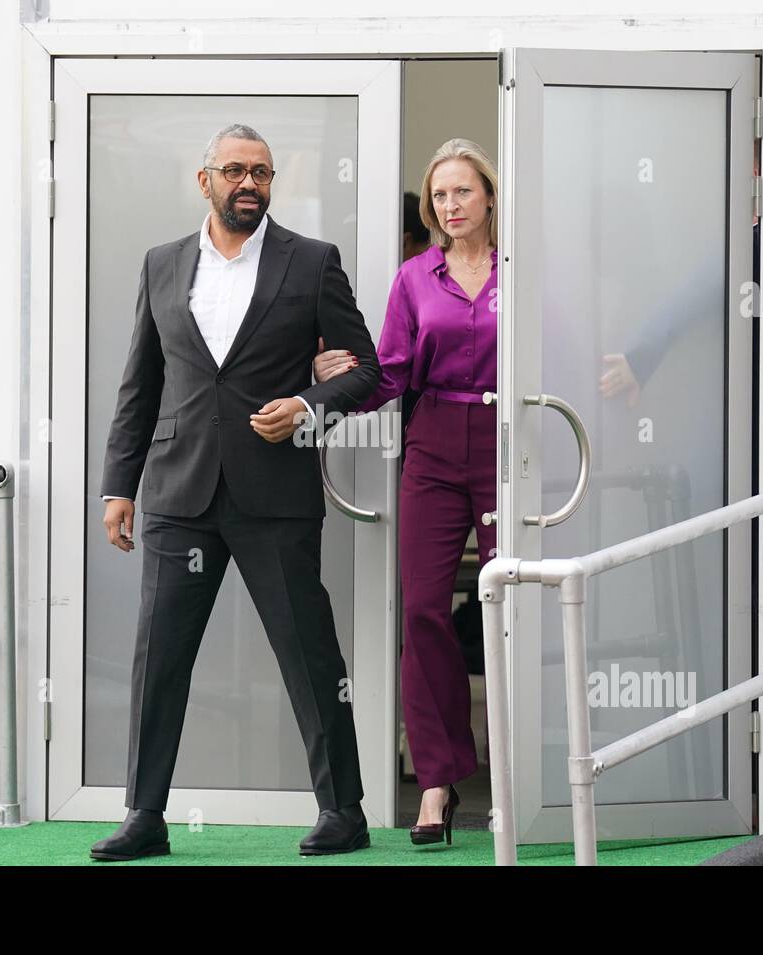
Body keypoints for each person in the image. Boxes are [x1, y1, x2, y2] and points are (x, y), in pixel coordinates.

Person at [93, 123, 381, 860]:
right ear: (206, 180)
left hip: (274, 494)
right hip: (178, 492)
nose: (249, 183)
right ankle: (144, 816)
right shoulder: (162, 265)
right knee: (159, 658)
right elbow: (140, 386)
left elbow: (369, 372)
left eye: (262, 172)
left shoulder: (312, 262)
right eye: (235, 171)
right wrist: (116, 487)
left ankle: (343, 811)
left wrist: (308, 406)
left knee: (309, 654)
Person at [315, 138, 498, 847]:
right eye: (440, 196)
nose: (450, 206)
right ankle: (438, 779)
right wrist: (334, 384)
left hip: (505, 436)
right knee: (422, 608)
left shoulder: (520, 269)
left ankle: (525, 778)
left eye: (463, 192)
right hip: (432, 442)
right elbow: (390, 373)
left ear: (488, 196)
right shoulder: (415, 277)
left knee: (507, 606)